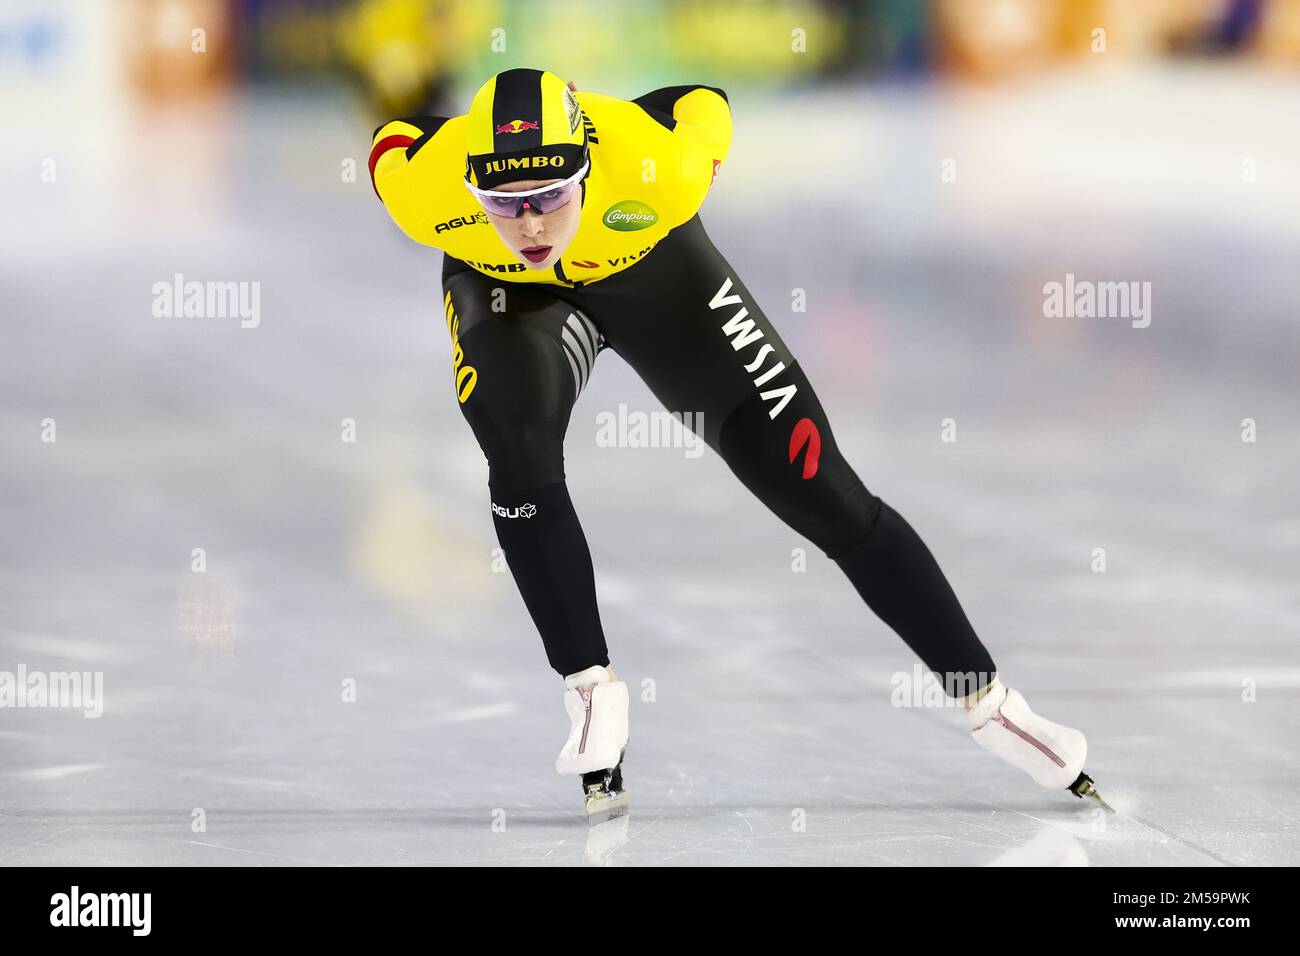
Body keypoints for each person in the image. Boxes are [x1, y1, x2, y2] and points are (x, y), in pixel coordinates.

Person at [369, 68, 1110, 819]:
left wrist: (633, 121)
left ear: (590, 167)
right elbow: (393, 138)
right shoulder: (425, 192)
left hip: (662, 282)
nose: (530, 225)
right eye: (505, 204)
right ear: (472, 187)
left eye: (553, 196)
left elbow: (698, 101)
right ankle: (590, 689)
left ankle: (990, 702)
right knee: (514, 444)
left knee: (821, 488)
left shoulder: (660, 169)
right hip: (512, 301)